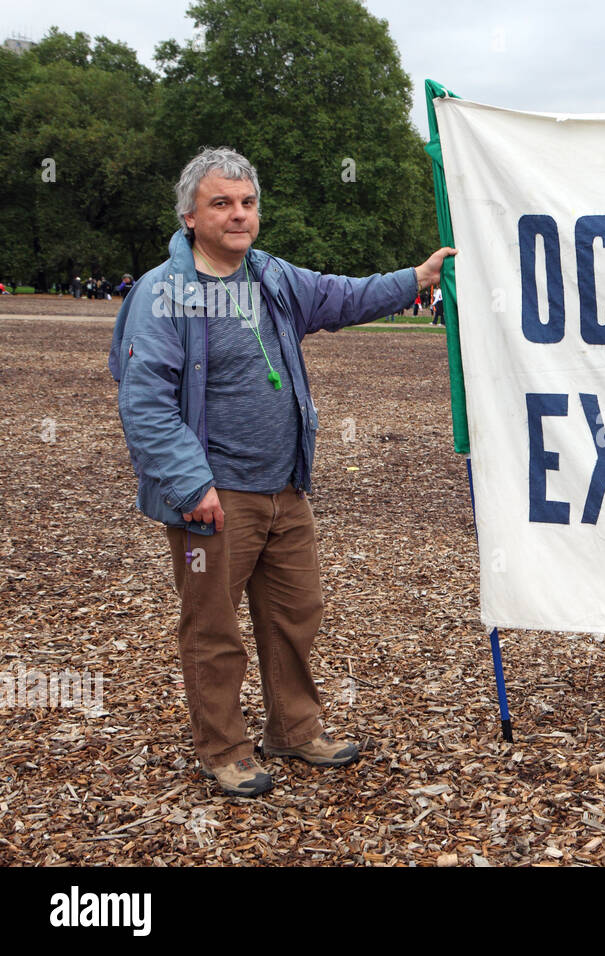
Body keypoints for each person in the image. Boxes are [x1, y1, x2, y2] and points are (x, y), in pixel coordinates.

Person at [109, 147, 456, 797]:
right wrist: (191, 485)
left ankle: (294, 728)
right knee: (213, 627)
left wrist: (417, 278)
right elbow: (144, 400)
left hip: (285, 487)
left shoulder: (269, 277)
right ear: (190, 215)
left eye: (247, 203)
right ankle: (224, 747)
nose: (238, 215)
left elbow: (339, 295)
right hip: (212, 498)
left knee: (294, 615)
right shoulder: (164, 292)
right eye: (221, 203)